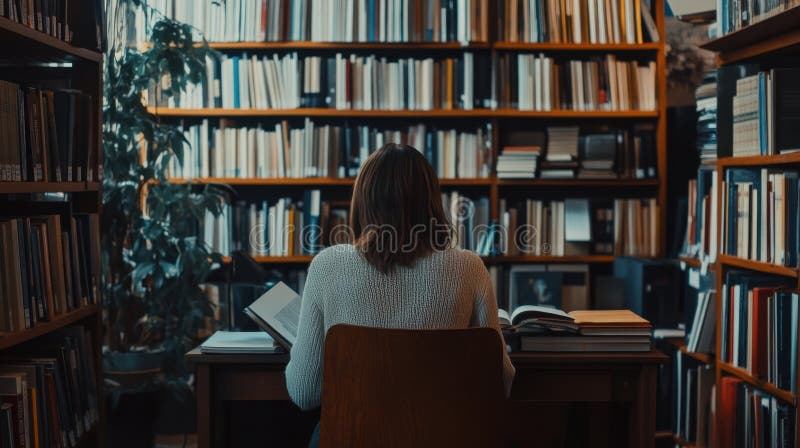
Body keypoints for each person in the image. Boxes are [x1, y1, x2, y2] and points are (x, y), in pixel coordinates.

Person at [284, 143, 515, 446]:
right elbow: (501, 382)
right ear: (432, 202)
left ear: (364, 200)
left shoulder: (327, 266)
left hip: (352, 439)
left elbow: (304, 393)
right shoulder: (468, 268)